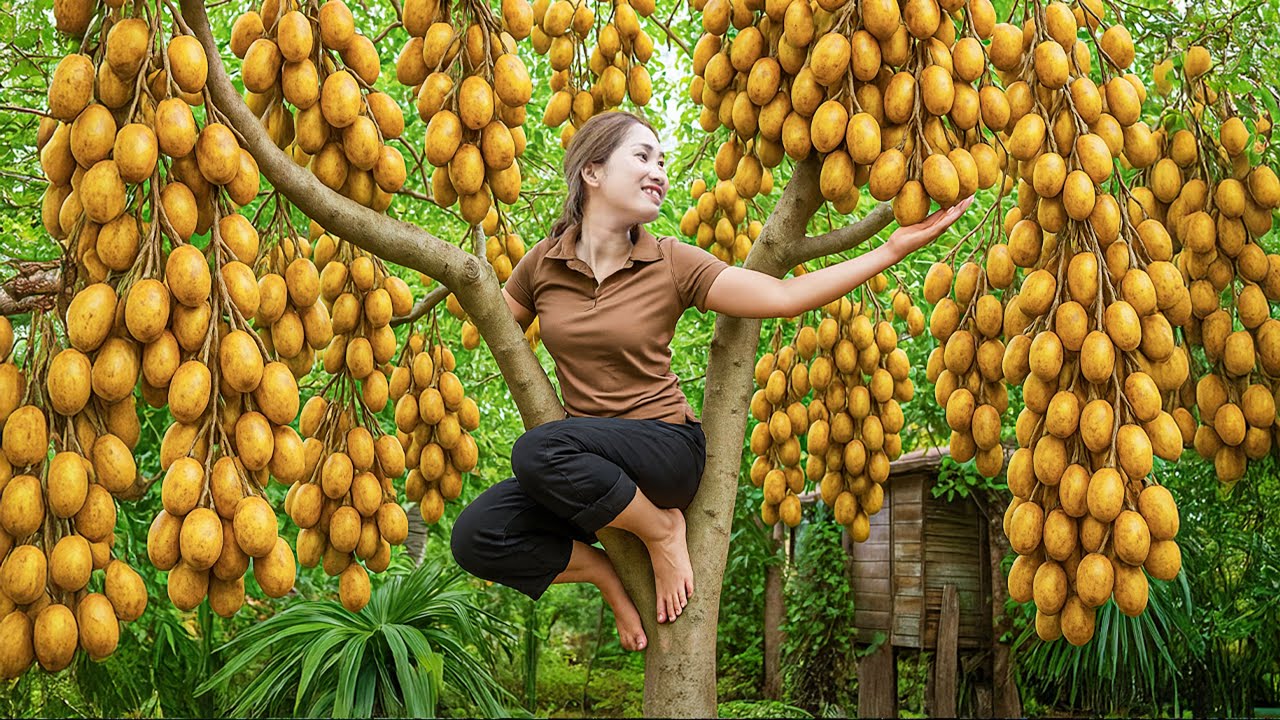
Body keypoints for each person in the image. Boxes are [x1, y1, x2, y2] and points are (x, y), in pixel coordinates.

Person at [451, 111, 973, 652]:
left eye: (662, 161)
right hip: (584, 466)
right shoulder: (543, 264)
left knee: (537, 451)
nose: (659, 172)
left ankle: (662, 530)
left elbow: (783, 297)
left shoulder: (671, 261)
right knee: (477, 537)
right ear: (592, 171)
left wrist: (890, 250)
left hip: (663, 451)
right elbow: (493, 325)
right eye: (642, 157)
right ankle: (605, 574)